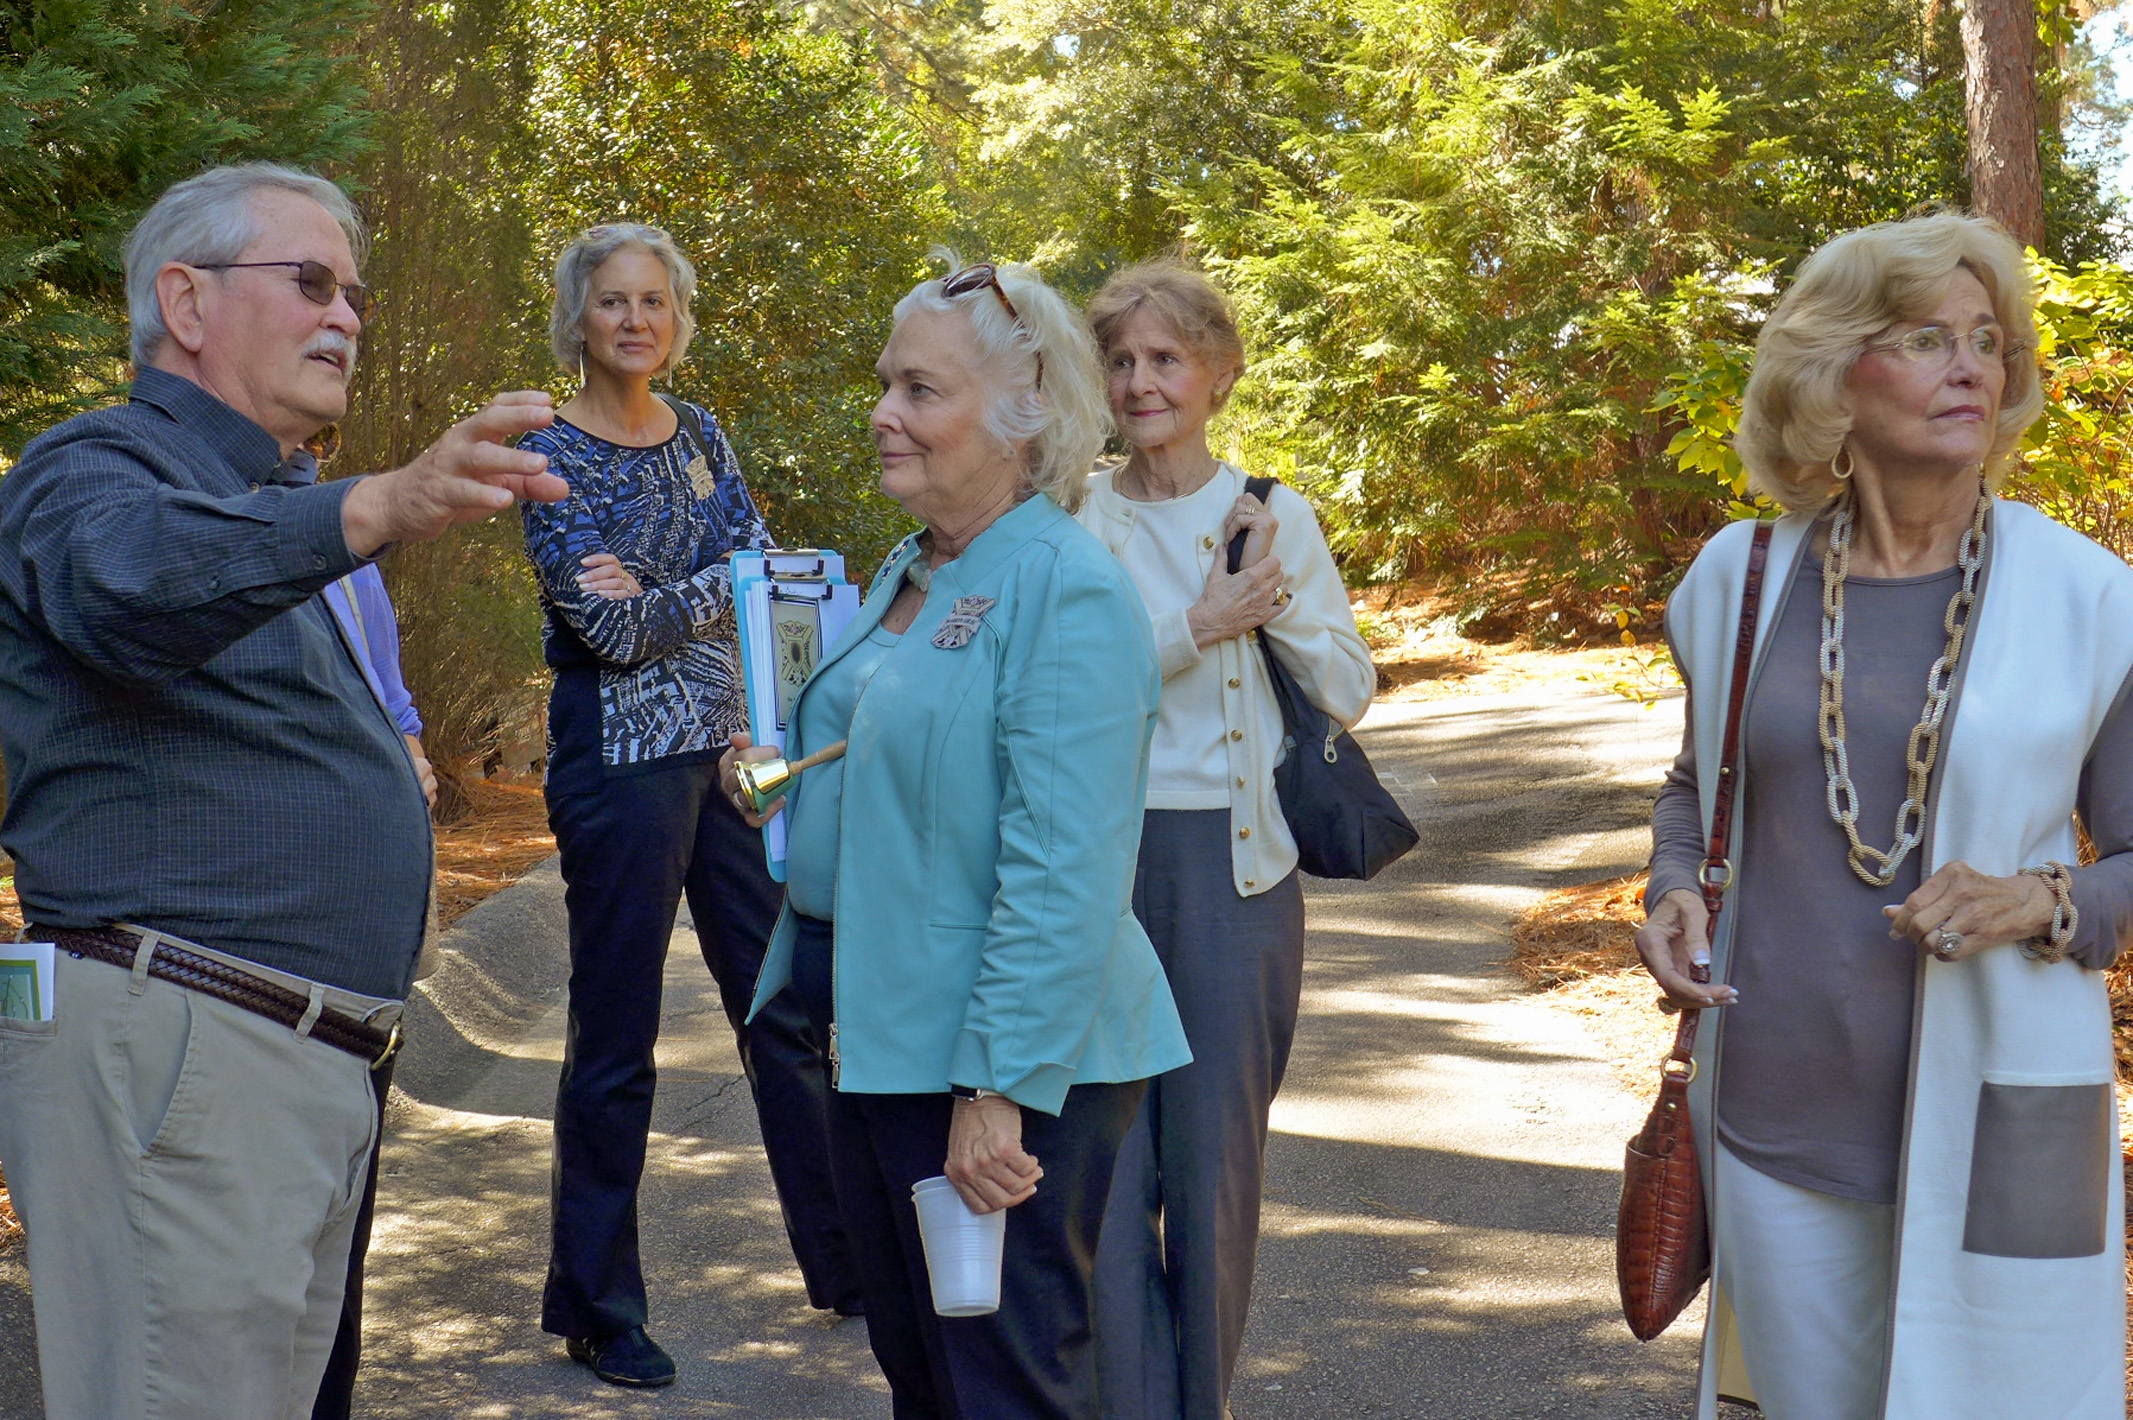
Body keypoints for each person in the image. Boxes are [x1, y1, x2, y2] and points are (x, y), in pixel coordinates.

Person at [0, 161, 566, 1420]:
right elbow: (128, 583)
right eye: (310, 281)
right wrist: (379, 503)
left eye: (355, 293)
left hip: (299, 1066)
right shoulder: (88, 469)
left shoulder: (279, 507)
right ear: (187, 302)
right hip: (191, 1044)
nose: (349, 316)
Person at [1635, 209, 2133, 1420]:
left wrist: (2045, 897)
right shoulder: (1739, 579)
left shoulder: (2089, 596)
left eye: (1985, 339)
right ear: (1835, 378)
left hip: (2008, 1111)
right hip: (1777, 1113)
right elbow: (1698, 789)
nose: (1971, 365)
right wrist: (1669, 888)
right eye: (1923, 337)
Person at [721, 255, 1192, 1419]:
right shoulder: (919, 565)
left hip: (993, 1057)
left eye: (921, 391)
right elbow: (910, 754)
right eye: (886, 384)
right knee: (927, 1381)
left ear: (1023, 419)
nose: (884, 412)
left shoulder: (1063, 585)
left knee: (1009, 1384)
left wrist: (996, 1087)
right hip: (876, 1033)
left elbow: (1065, 865)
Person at [517, 221, 856, 1389]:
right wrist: (714, 587)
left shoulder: (702, 433)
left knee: (784, 1005)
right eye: (612, 301)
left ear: (677, 314)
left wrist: (680, 591)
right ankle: (600, 1307)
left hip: (724, 759)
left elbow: (762, 577)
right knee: (617, 1038)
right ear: (580, 318)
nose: (635, 320)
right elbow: (606, 629)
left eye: (653, 300)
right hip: (616, 769)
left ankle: (847, 1259)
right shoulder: (546, 450)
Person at [1074, 260, 1374, 1420]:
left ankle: (1199, 1404)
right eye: (1122, 360)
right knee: (1099, 1169)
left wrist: (1274, 598)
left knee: (1209, 1176)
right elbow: (1067, 691)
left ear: (1217, 372)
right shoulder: (1077, 515)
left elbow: (1349, 684)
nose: (1143, 381)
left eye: (1166, 359)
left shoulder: (1269, 509)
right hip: (1095, 868)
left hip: (1235, 876)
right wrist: (1201, 622)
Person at [311, 546, 434, 1420]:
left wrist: (412, 760)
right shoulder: (149, 502)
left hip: (367, 937)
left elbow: (394, 701)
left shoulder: (347, 549)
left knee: (339, 1213)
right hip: (248, 948)